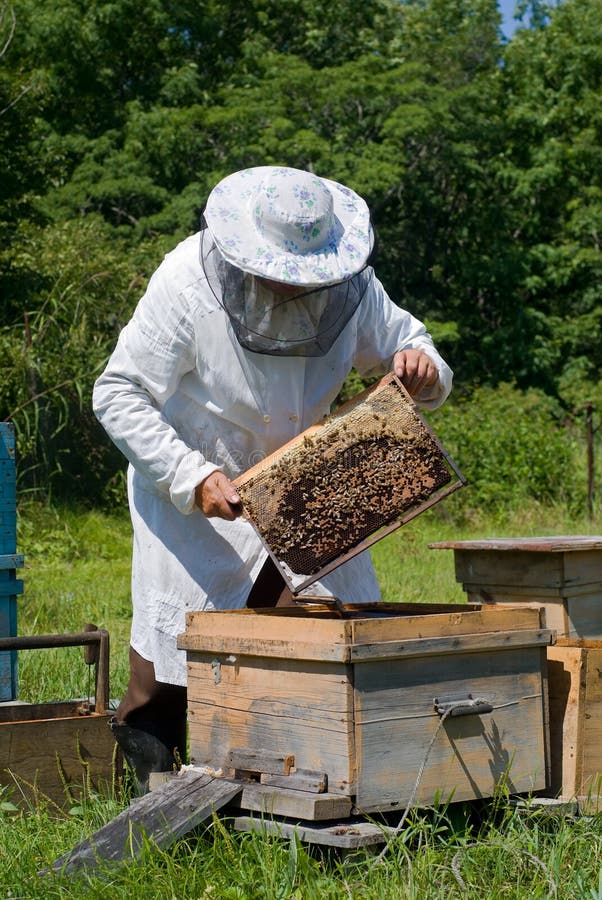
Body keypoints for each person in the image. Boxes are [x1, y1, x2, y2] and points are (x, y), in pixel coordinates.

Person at [92, 165, 453, 791]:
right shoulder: (185, 280)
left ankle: (289, 783)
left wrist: (424, 369)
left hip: (311, 492)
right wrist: (190, 475)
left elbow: (412, 344)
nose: (291, 289)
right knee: (171, 670)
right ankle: (150, 783)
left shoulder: (353, 289)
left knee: (318, 641)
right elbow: (117, 391)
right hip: (199, 495)